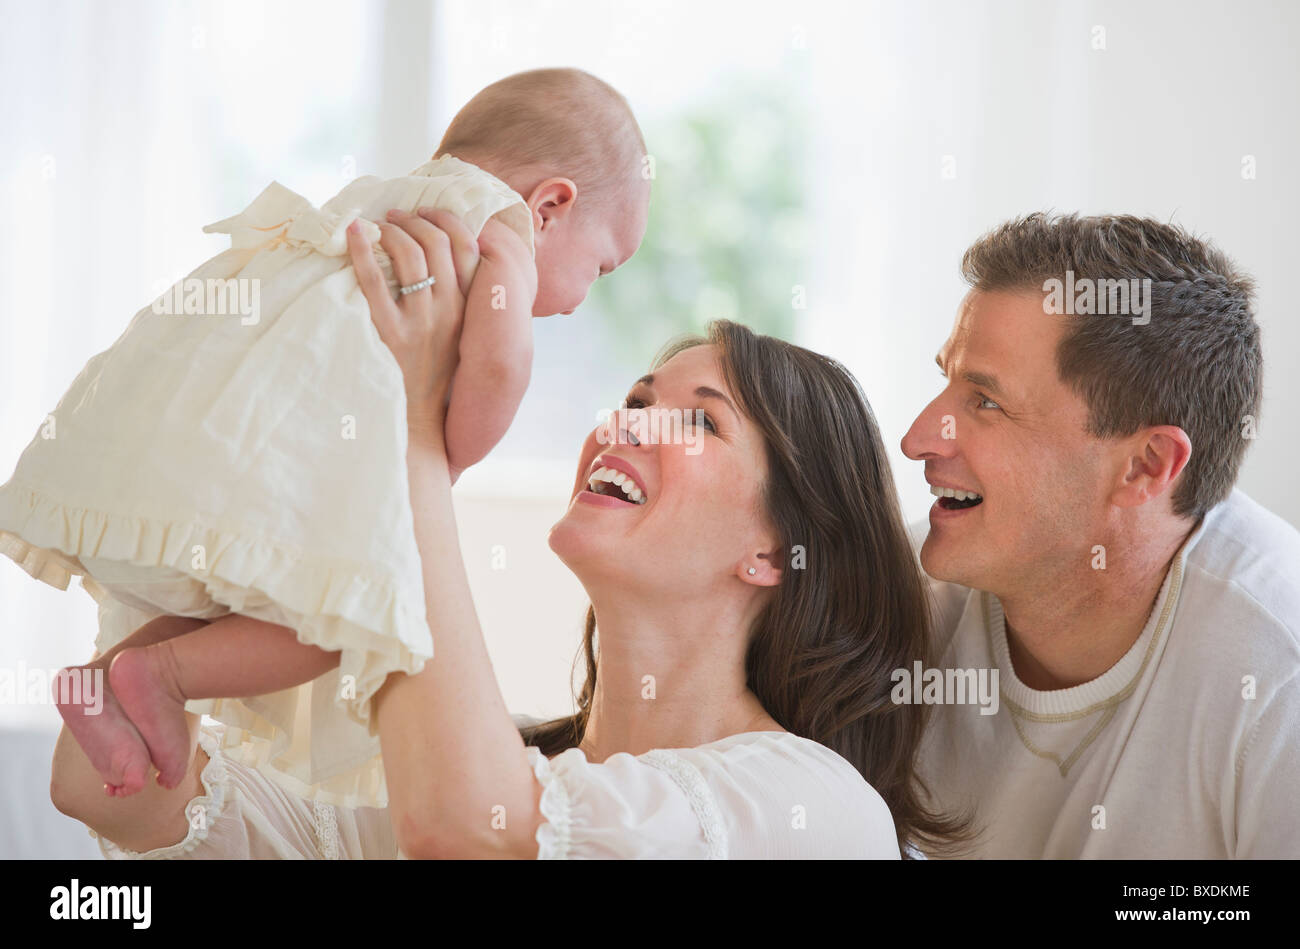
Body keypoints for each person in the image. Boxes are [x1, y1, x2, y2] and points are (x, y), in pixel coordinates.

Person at [48, 209, 970, 859]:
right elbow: (106, 794)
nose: (625, 422)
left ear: (774, 550)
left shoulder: (812, 804)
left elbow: (471, 832)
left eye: (701, 420)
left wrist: (412, 432)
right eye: (637, 398)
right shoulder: (488, 775)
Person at [0, 68, 650, 807]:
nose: (582, 298)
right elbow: (501, 367)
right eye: (600, 266)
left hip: (209, 436)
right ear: (551, 207)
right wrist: (447, 458)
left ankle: (111, 675)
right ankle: (161, 675)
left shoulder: (398, 199)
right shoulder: (501, 230)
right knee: (335, 618)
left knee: (265, 596)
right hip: (277, 456)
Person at [901, 212, 1300, 857]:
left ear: (1145, 466)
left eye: (986, 402)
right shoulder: (904, 596)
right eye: (946, 380)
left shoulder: (1278, 670)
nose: (918, 439)